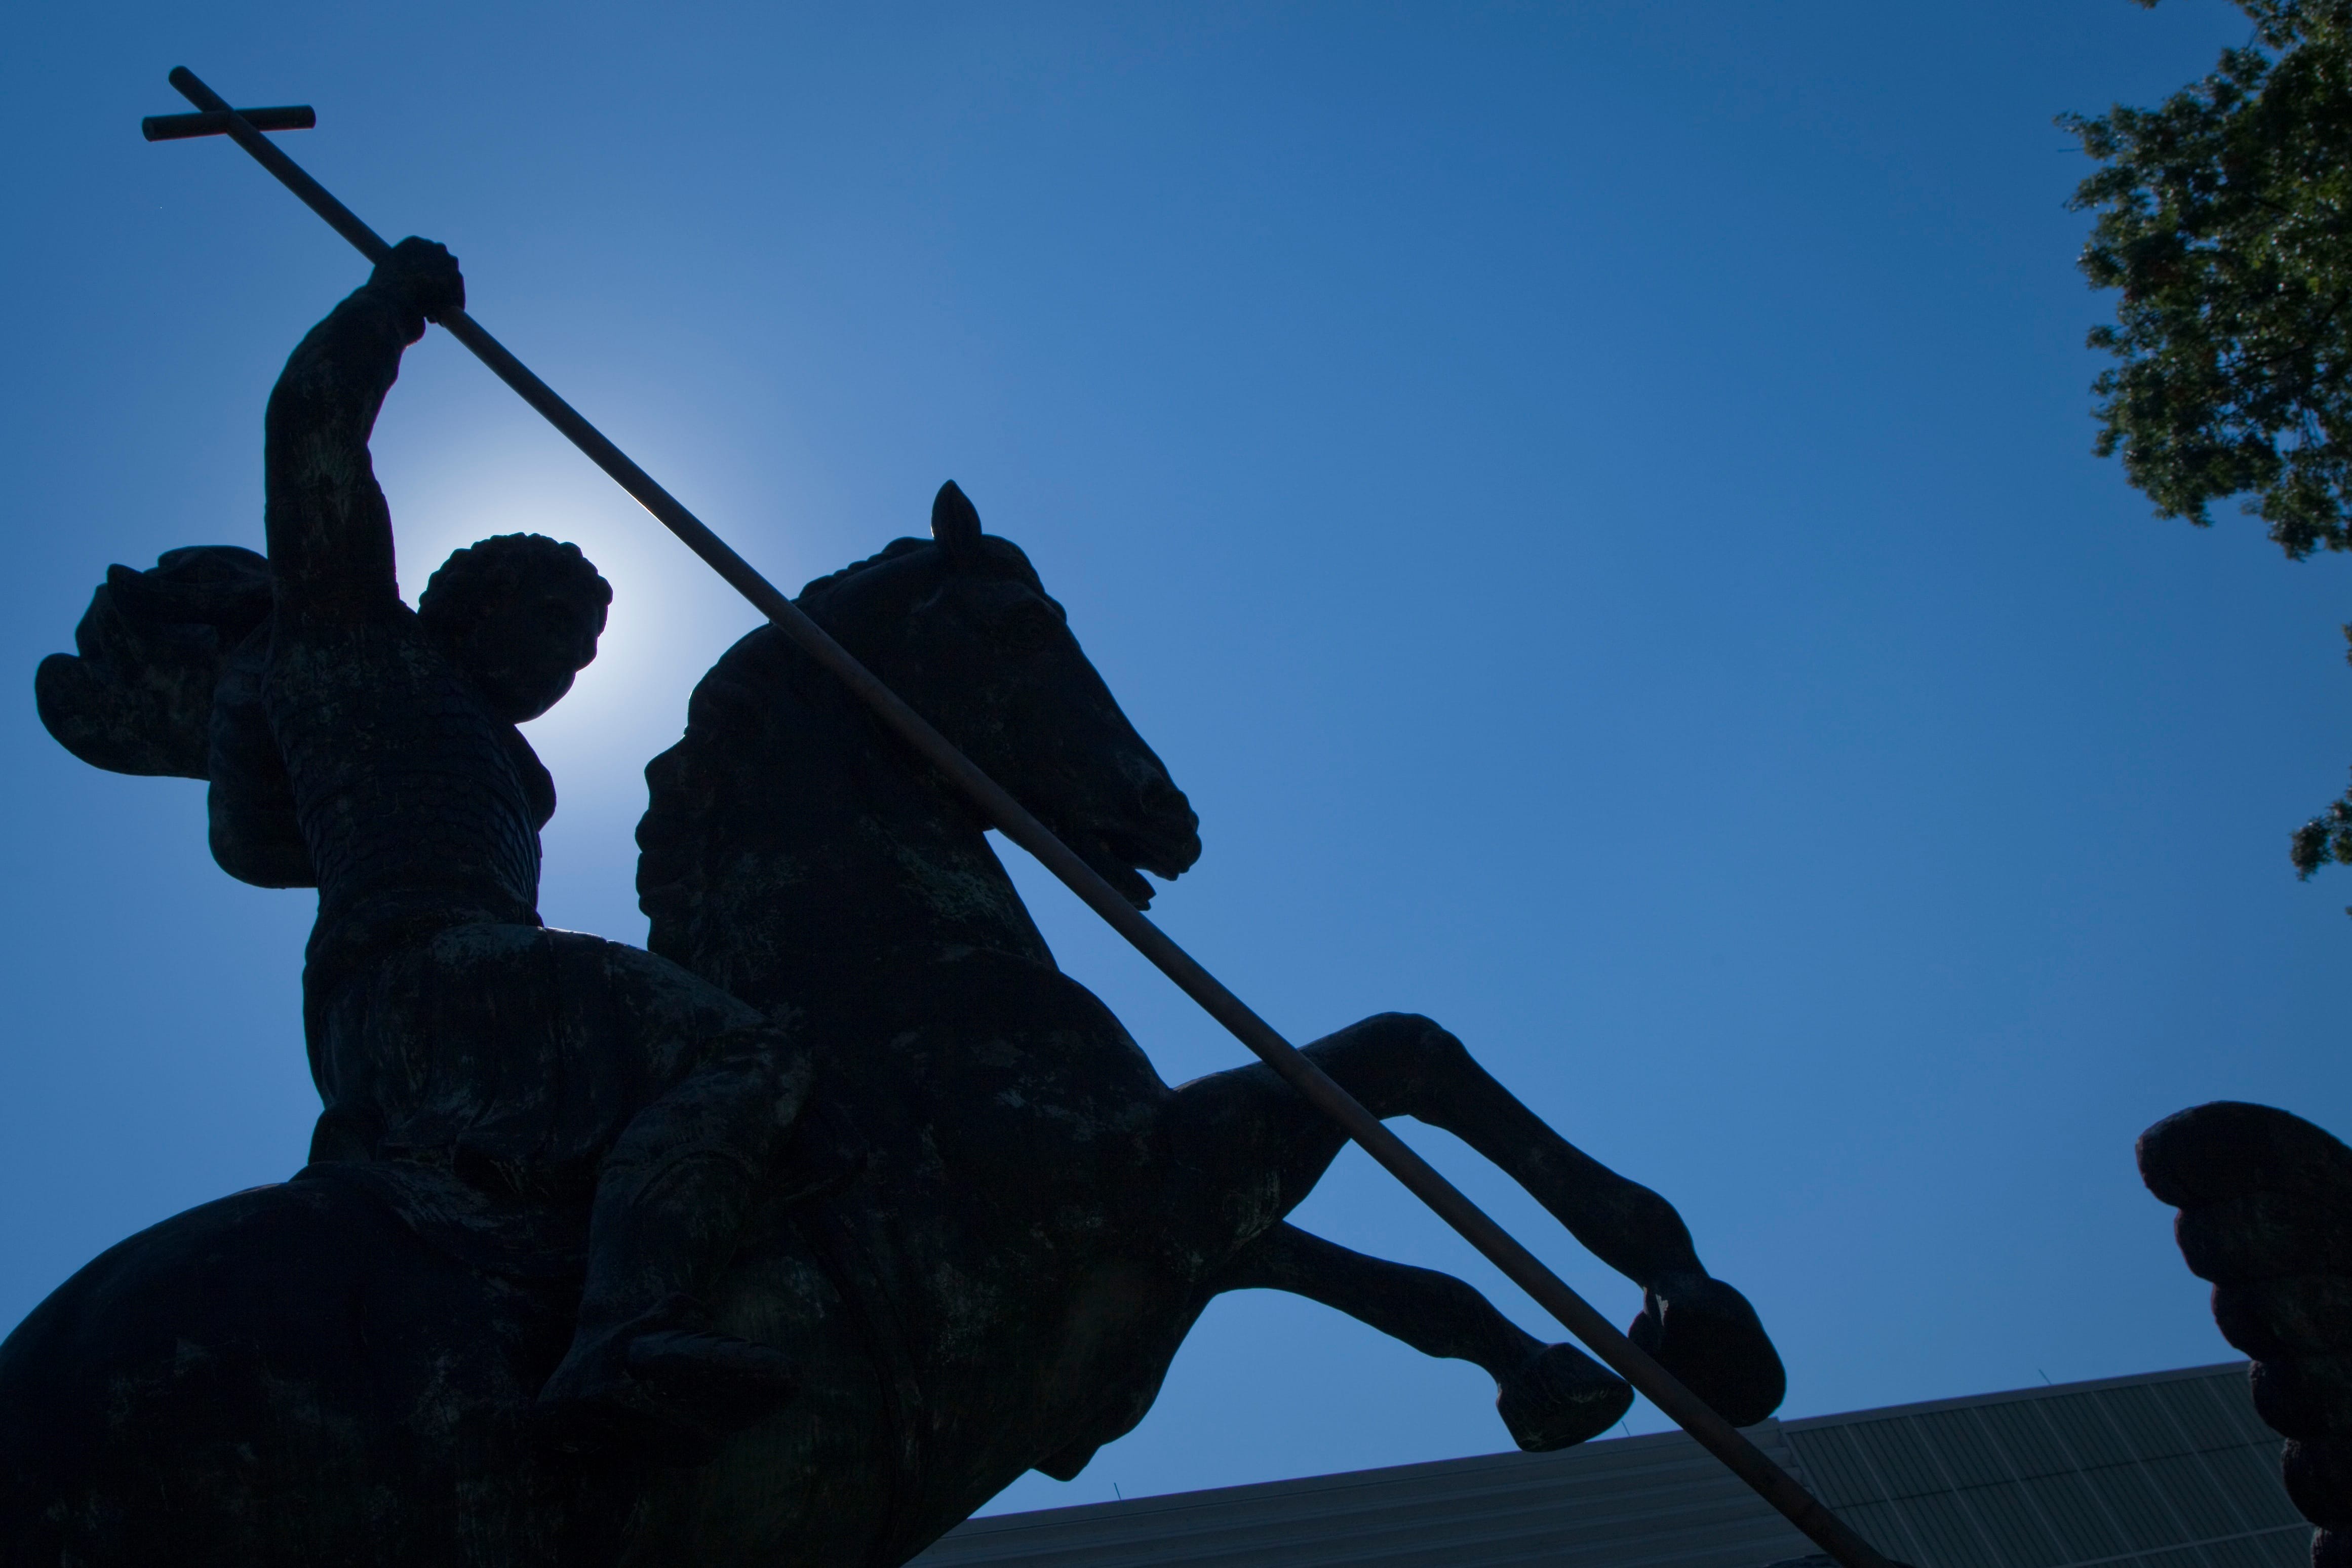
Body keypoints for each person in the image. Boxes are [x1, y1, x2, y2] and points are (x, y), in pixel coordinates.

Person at [220, 234, 807, 1451]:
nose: (566, 661)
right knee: (738, 1054)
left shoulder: (509, 763)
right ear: (466, 603)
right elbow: (310, 428)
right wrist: (389, 309)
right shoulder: (359, 644)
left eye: (587, 650)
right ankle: (629, 1331)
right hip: (419, 976)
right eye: (549, 621)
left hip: (464, 977)